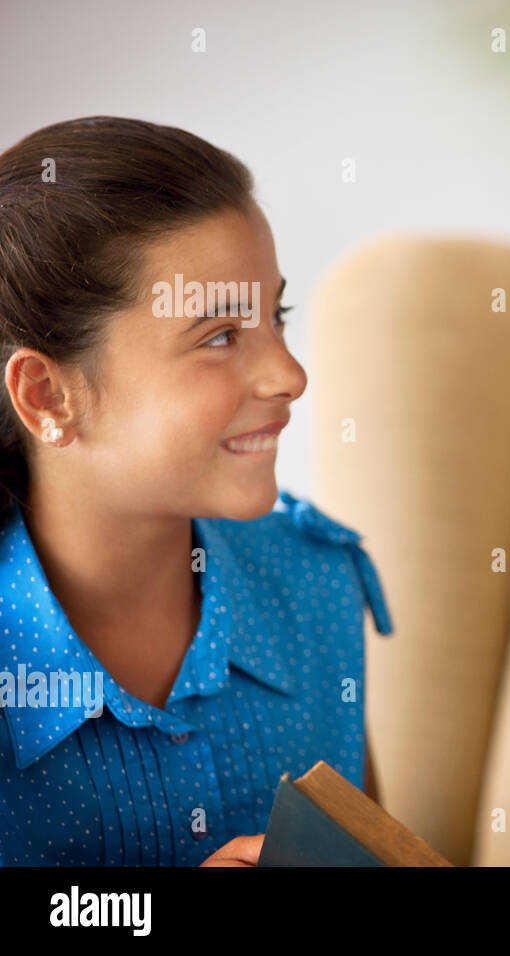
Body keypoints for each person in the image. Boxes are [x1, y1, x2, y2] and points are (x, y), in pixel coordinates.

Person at [0, 116, 393, 866]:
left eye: (275, 316)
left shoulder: (317, 583)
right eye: (218, 336)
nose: (290, 376)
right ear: (47, 394)